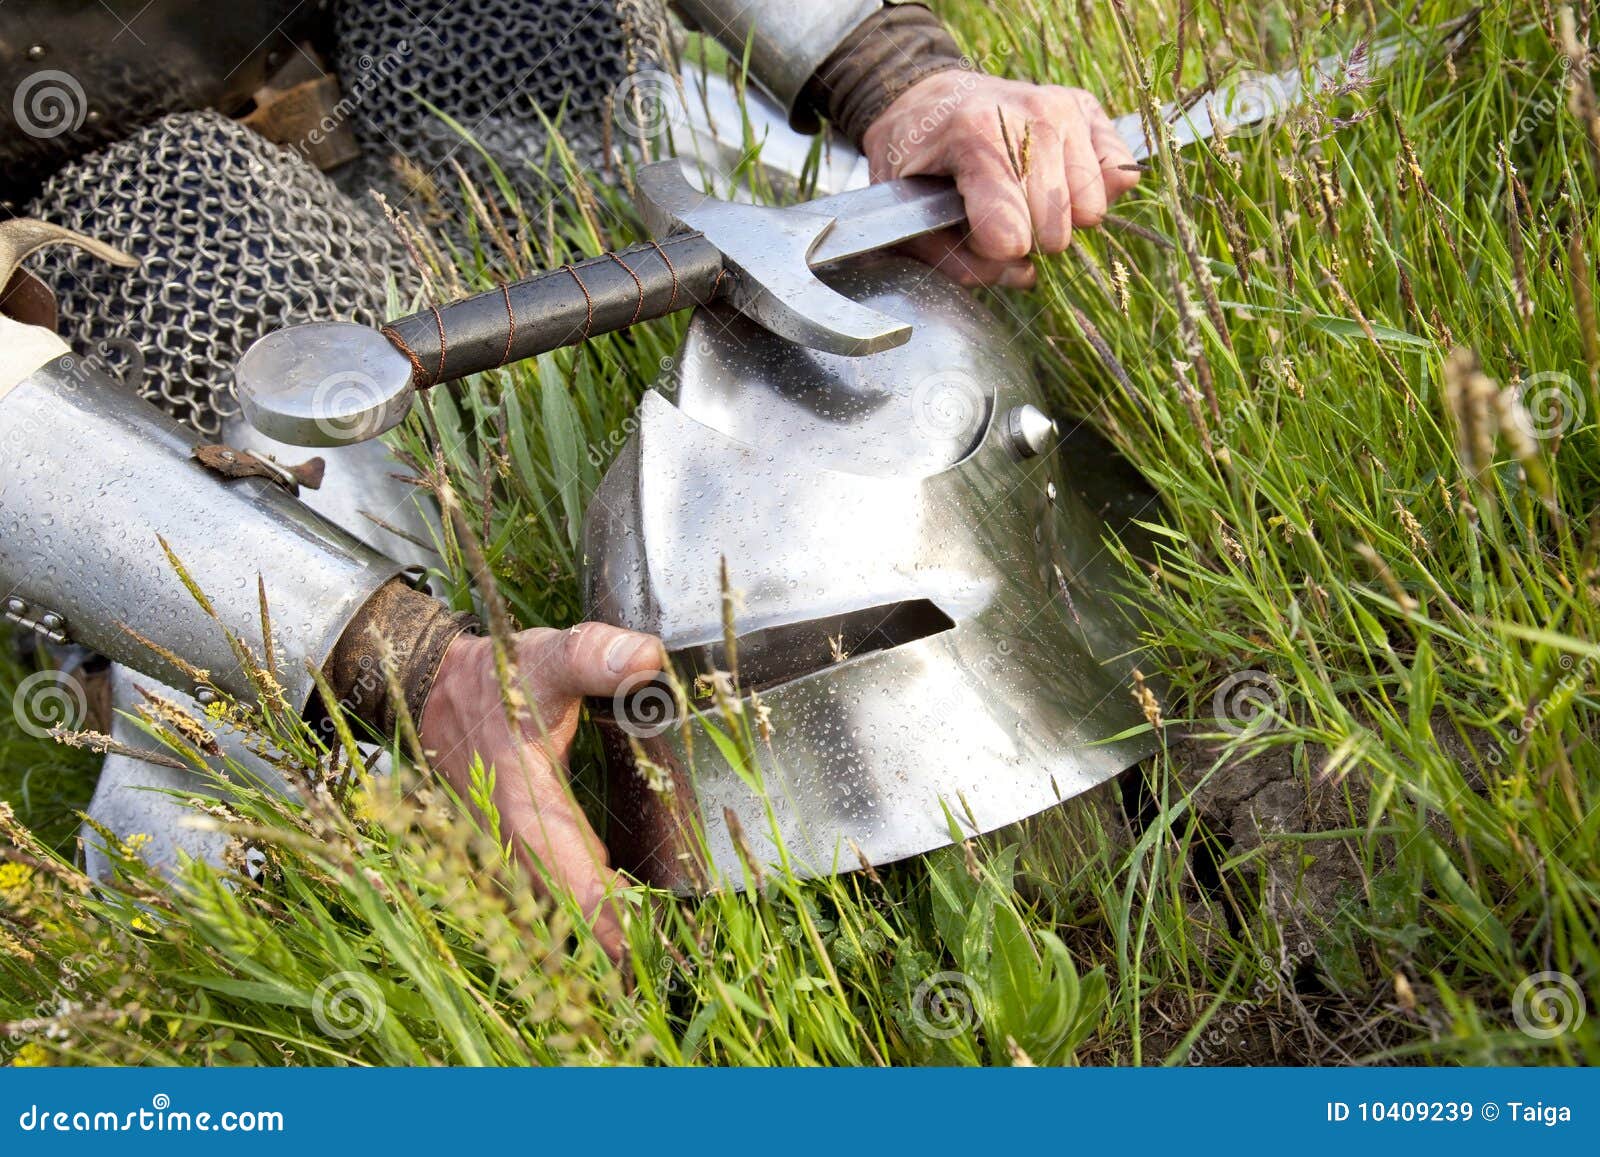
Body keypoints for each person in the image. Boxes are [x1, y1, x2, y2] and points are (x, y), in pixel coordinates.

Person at [0, 1, 1137, 960]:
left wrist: (889, 71)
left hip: (451, 64)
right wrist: (395, 660)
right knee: (207, 849)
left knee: (893, 336)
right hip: (112, 261)